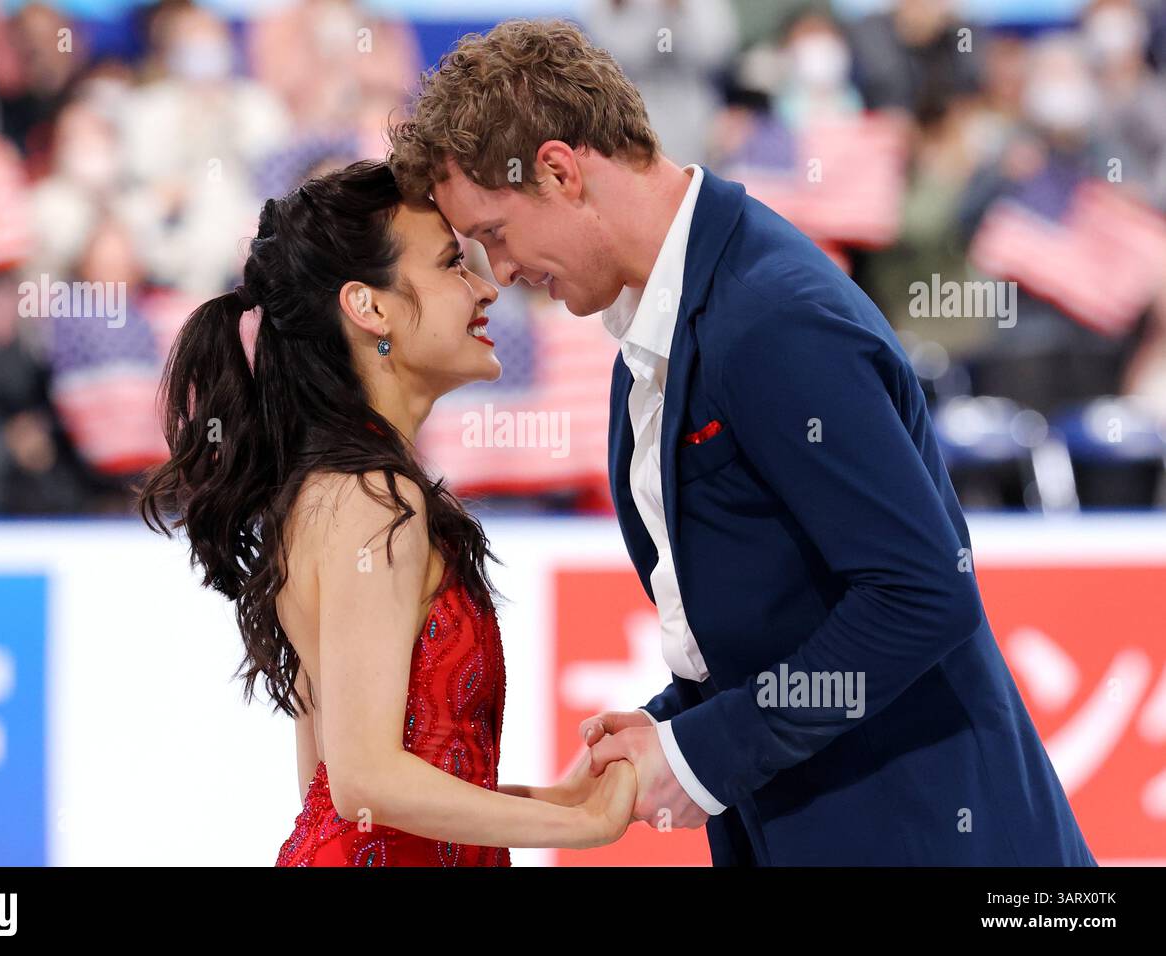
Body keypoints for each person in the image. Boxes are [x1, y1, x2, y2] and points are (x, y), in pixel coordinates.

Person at [389, 19, 1097, 866]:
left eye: (495, 234)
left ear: (559, 170)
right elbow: (779, 618)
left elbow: (920, 595)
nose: (498, 274)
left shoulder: (772, 316)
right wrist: (670, 724)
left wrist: (704, 752)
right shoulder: (657, 339)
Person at [137, 160, 635, 866]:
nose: (487, 288)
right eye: (452, 266)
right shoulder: (373, 501)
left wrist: (563, 802)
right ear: (369, 308)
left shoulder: (342, 491)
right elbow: (364, 783)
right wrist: (583, 831)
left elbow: (338, 784)